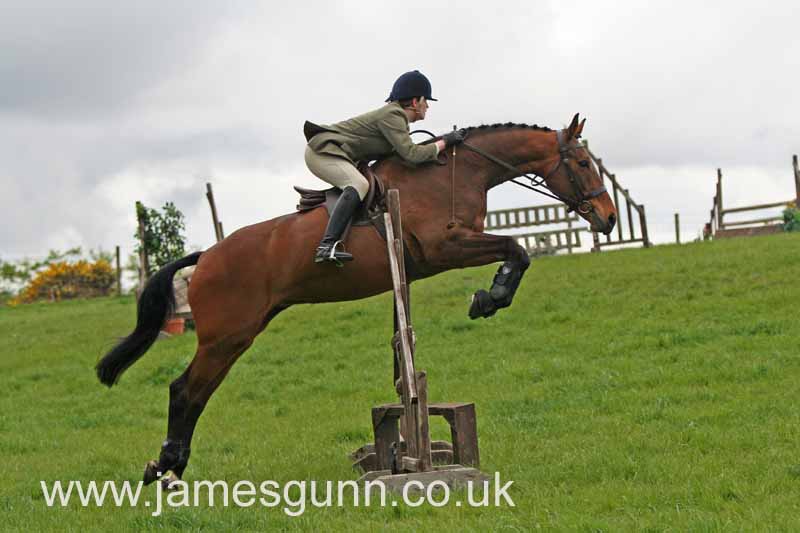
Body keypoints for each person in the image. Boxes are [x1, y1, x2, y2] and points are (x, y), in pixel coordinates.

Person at [304, 70, 466, 264]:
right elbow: (412, 154)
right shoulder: (393, 114)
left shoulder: (396, 119)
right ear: (416, 102)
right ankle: (326, 246)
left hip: (335, 153)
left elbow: (404, 155)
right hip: (322, 152)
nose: (428, 106)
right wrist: (445, 142)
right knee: (359, 185)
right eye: (426, 101)